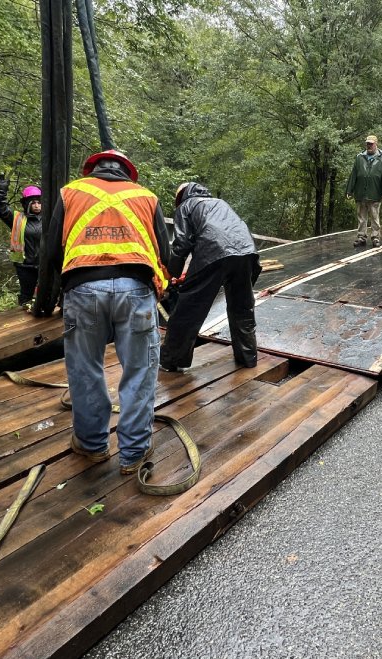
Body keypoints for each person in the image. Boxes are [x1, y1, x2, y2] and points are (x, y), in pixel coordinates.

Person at [42, 149, 172, 475]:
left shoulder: (70, 192)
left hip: (82, 290)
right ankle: (133, 454)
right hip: (137, 290)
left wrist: (45, 301)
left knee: (84, 369)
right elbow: (166, 253)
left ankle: (91, 445)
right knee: (140, 371)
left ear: (92, 170)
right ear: (129, 172)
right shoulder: (147, 197)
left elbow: (50, 250)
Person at [161, 182, 260, 372]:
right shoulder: (220, 203)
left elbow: (181, 244)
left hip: (214, 253)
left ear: (181, 196)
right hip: (247, 253)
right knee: (242, 309)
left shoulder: (186, 206)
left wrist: (171, 275)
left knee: (187, 311)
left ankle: (171, 360)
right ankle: (248, 358)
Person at [0, 176, 43, 307]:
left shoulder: (49, 218)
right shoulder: (17, 218)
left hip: (45, 266)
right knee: (26, 297)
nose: (37, 205)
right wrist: (2, 191)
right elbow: (1, 209)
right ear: (27, 204)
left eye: (39, 202)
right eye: (33, 203)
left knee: (47, 296)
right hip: (25, 266)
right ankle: (25, 323)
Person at [344, 134, 382, 247]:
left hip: (375, 192)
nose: (369, 145)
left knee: (375, 217)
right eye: (367, 143)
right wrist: (349, 190)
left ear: (376, 144)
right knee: (361, 217)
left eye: (371, 144)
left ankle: (375, 237)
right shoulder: (359, 157)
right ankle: (361, 237)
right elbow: (354, 174)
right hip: (360, 192)